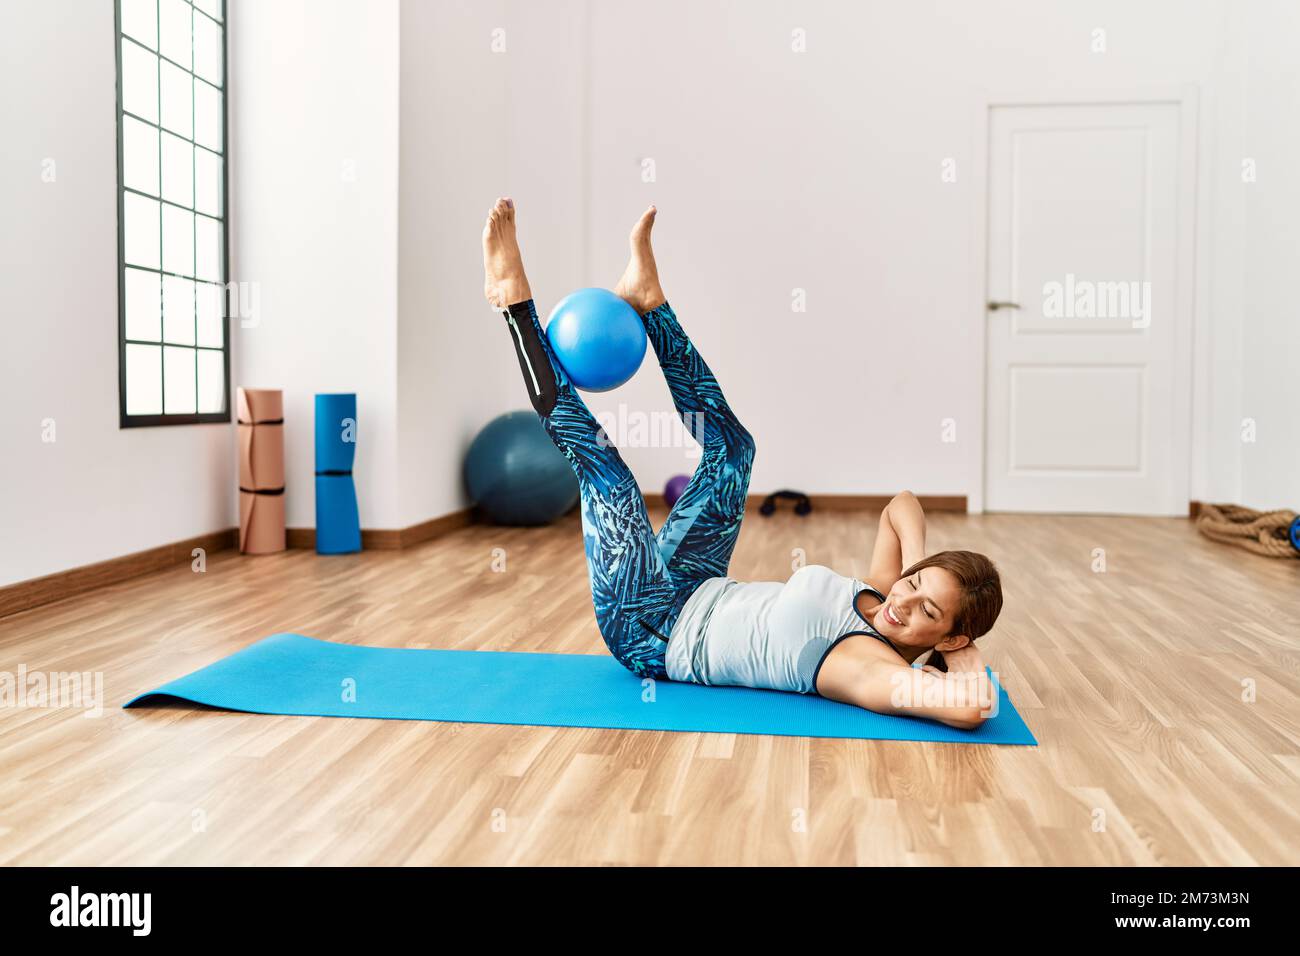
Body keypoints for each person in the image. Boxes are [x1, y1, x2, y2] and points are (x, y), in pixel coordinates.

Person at [482, 199, 1003, 729]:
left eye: (928, 615)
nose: (904, 605)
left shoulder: (866, 665)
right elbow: (901, 505)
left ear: (951, 635)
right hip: (697, 583)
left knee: (612, 481)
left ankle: (512, 302)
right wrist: (917, 572)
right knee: (734, 452)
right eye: (914, 590)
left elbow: (973, 707)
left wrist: (962, 652)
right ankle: (650, 305)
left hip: (651, 630)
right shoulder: (886, 594)